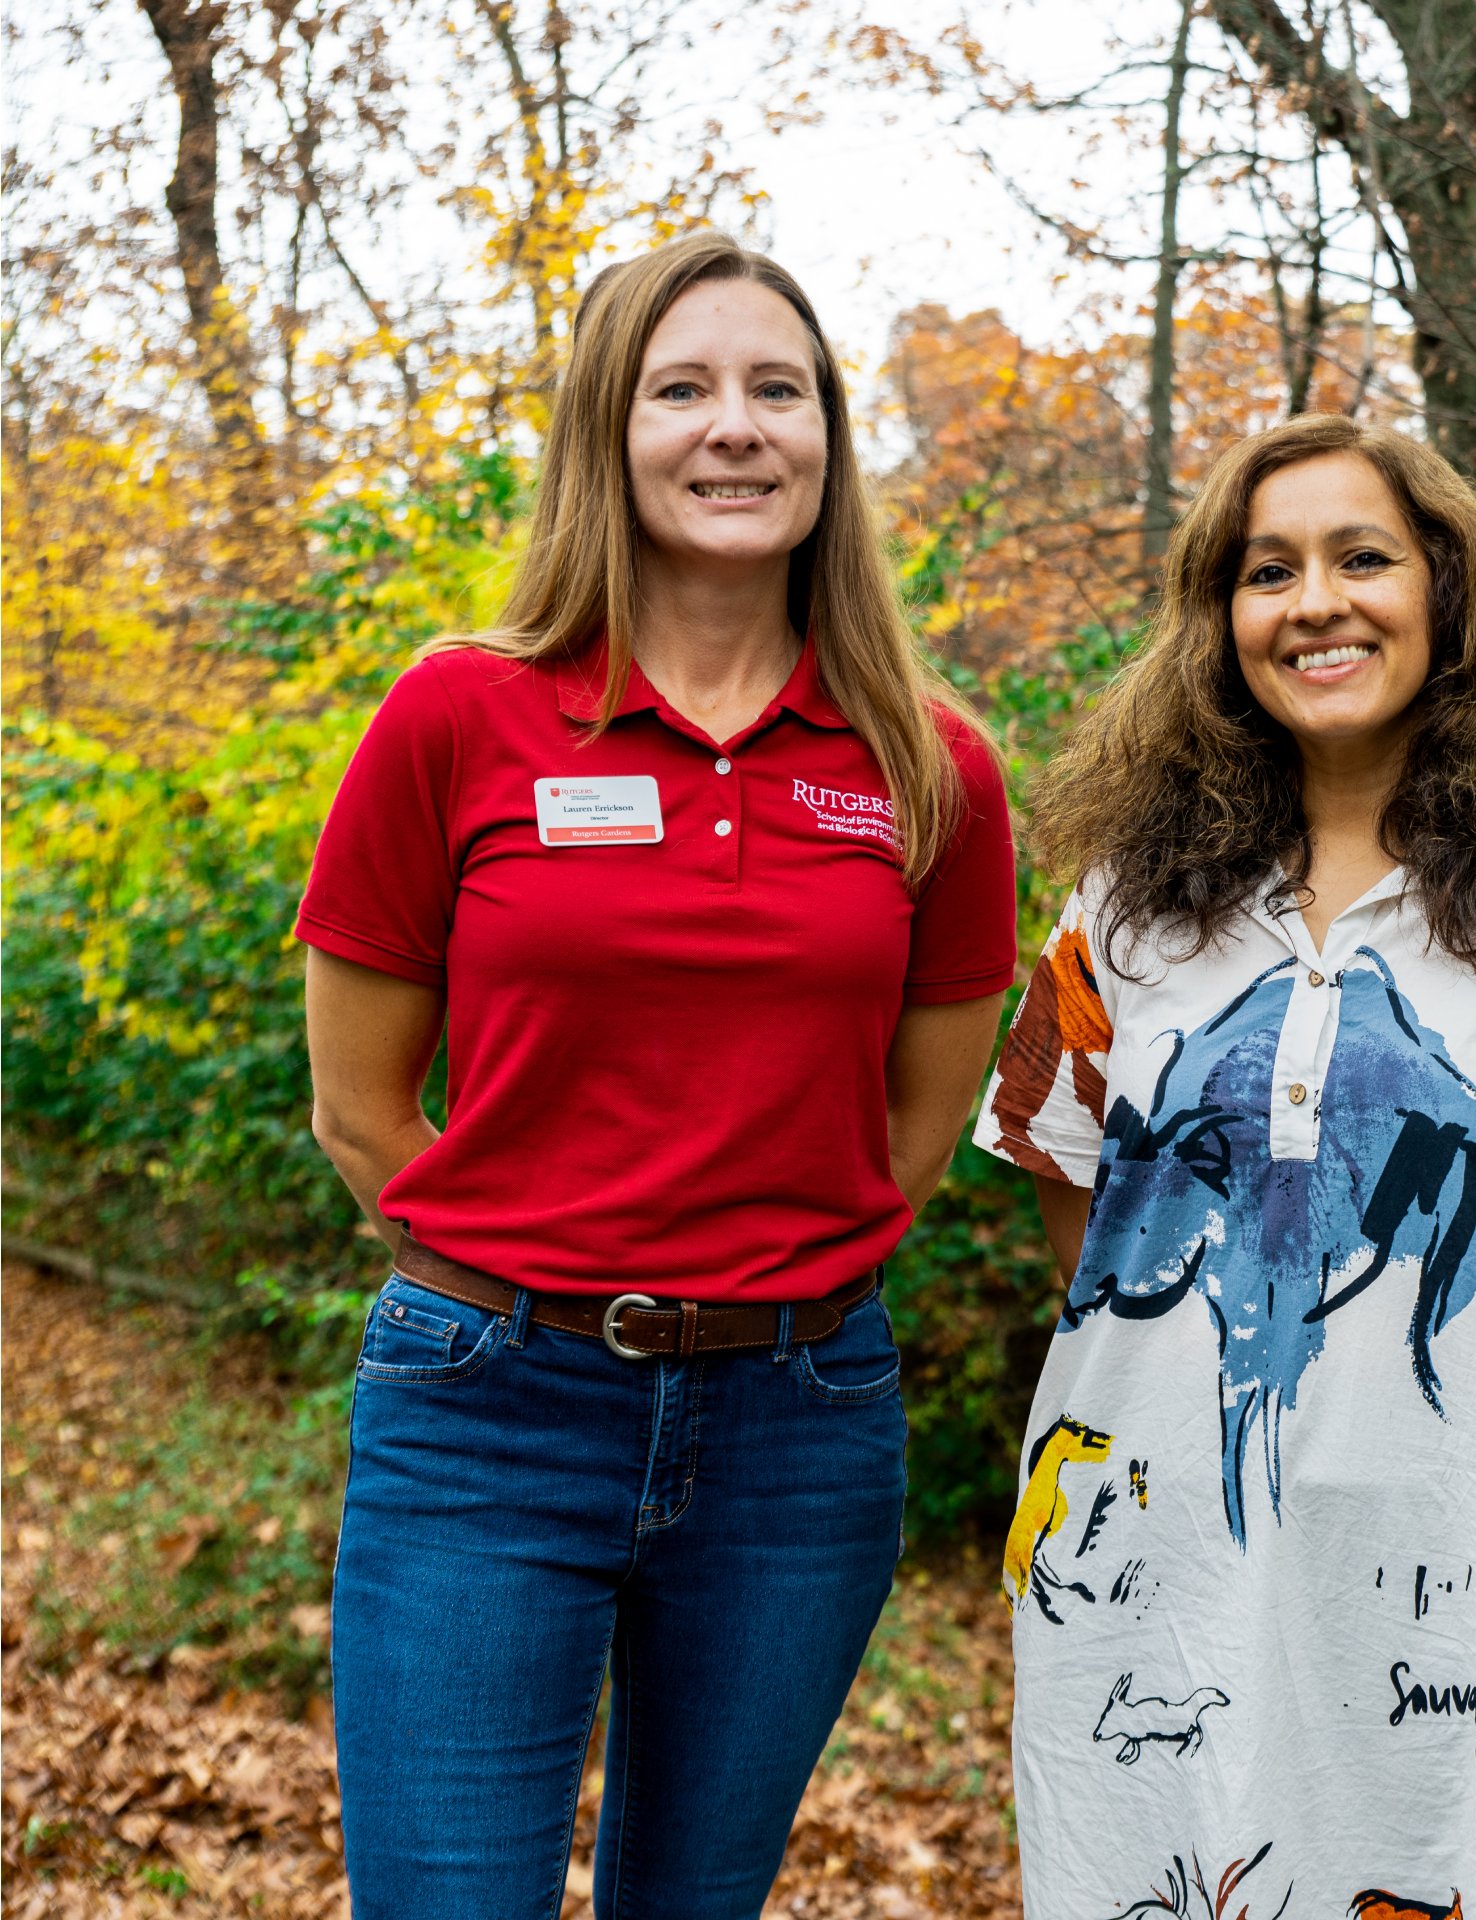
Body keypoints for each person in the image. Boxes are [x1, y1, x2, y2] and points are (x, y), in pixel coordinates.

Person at [973, 412, 1476, 1916]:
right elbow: (1087, 1231)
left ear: (1449, 592)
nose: (1316, 602)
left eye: (1364, 558)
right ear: (1221, 622)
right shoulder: (1123, 914)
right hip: (1170, 1599)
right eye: (1268, 570)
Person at [299, 230, 1015, 1917]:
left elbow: (917, 1132)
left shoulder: (931, 760)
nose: (735, 427)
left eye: (779, 388)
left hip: (797, 1432)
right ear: (606, 433)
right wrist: (509, 1279)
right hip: (488, 1415)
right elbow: (359, 1105)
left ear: (831, 440)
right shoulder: (461, 716)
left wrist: (766, 1280)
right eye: (680, 388)